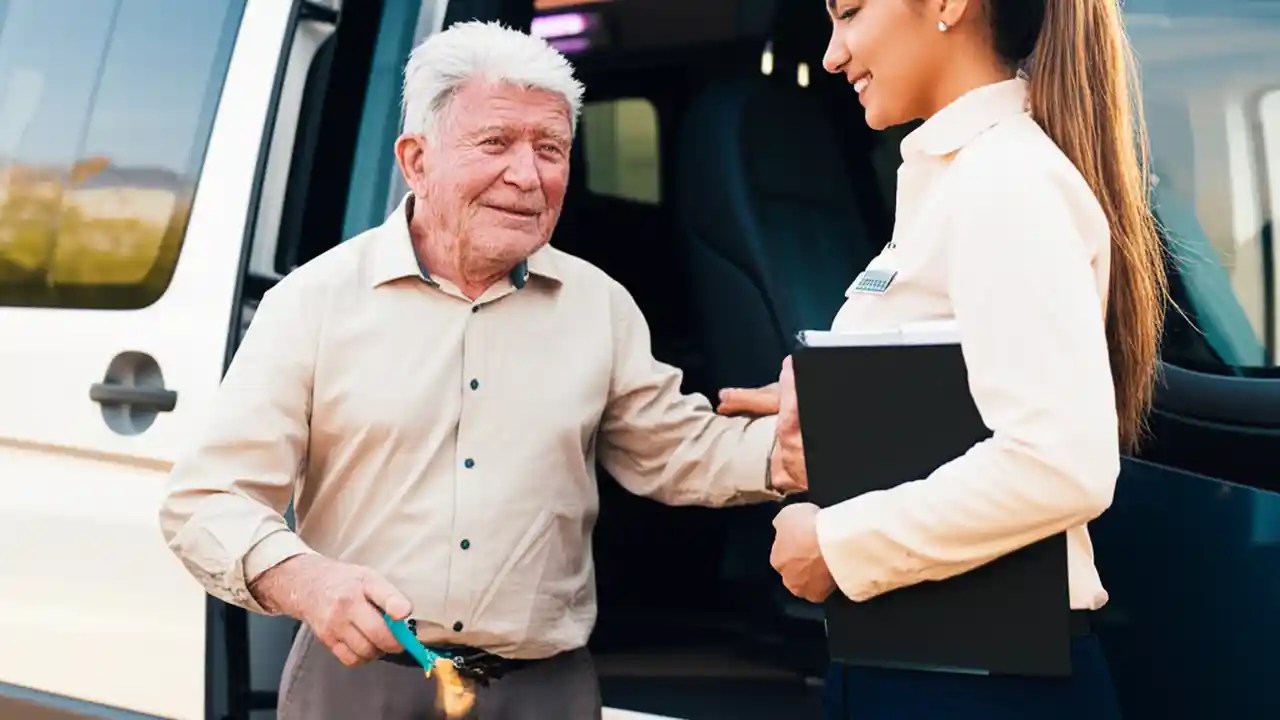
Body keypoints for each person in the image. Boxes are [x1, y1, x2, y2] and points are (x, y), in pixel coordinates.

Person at [158, 21, 802, 720]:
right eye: (495, 143)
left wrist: (800, 446)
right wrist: (306, 581)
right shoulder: (313, 303)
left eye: (550, 150)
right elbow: (206, 500)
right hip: (361, 685)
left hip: (543, 691)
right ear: (416, 160)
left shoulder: (599, 306)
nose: (527, 175)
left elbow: (677, 451)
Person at [722, 0, 1168, 718]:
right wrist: (845, 416)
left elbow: (1059, 462)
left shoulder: (1003, 181)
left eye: (850, 13)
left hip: (975, 685)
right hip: (930, 669)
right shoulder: (956, 179)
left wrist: (835, 543)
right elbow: (975, 410)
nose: (833, 54)